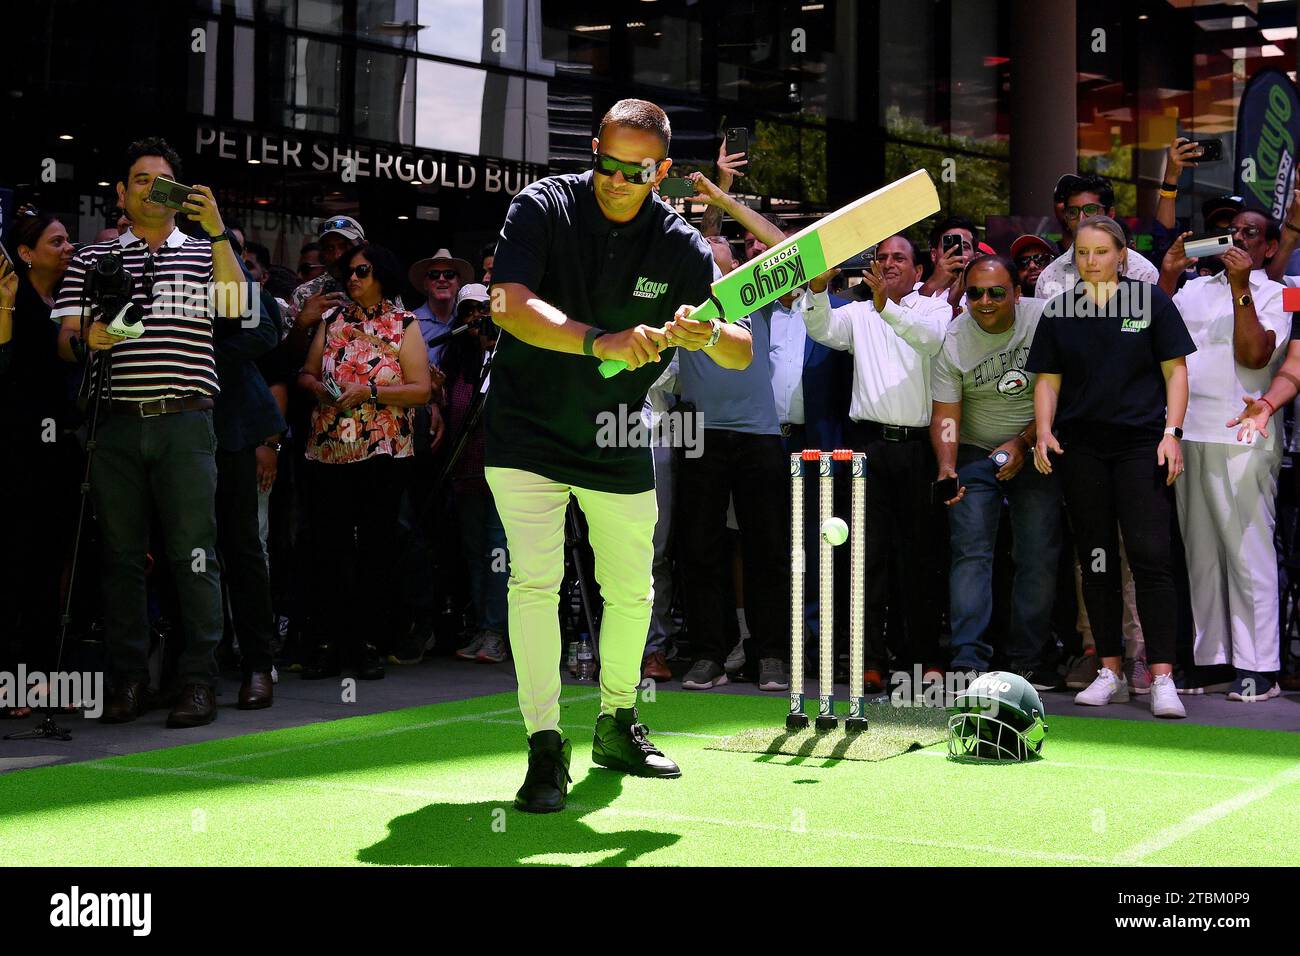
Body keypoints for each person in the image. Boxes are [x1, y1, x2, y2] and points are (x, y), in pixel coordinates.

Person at [486, 98, 752, 813]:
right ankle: (545, 746)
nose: (615, 180)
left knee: (632, 591)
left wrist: (707, 337)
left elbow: (741, 347)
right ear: (594, 151)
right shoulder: (543, 206)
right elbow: (507, 305)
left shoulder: (681, 245)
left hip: (615, 432)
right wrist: (596, 339)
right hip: (525, 426)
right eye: (605, 163)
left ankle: (617, 721)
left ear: (661, 172)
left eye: (634, 171)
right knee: (534, 585)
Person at [52, 137, 257, 728]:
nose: (149, 189)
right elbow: (64, 338)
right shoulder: (93, 259)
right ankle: (129, 680)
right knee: (118, 557)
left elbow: (238, 308)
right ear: (121, 193)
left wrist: (217, 229)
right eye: (139, 180)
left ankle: (198, 682)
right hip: (113, 422)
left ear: (180, 193)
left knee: (194, 553)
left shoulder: (202, 252)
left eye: (161, 181)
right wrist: (83, 341)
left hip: (185, 420)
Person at [1028, 215, 1196, 719]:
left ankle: (1162, 676)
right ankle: (1110, 670)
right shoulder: (1060, 311)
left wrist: (1173, 434)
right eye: (1082, 252)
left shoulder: (1150, 303)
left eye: (1101, 251)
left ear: (1121, 255)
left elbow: (1177, 371)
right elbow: (1048, 380)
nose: (1091, 261)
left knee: (1149, 557)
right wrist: (1043, 430)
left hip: (1141, 446)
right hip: (1082, 451)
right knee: (1096, 560)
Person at [802, 235, 954, 692]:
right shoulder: (858, 312)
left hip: (917, 448)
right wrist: (815, 292)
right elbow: (822, 330)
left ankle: (924, 658)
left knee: (920, 557)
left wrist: (887, 306)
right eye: (881, 257)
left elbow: (929, 342)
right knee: (865, 557)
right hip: (867, 445)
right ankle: (867, 660)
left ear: (918, 270)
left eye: (898, 258)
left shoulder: (933, 309)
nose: (887, 264)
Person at [1161, 211, 1290, 703]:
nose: (1238, 238)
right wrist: (1170, 273)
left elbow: (1254, 356)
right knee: (1202, 552)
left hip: (1243, 435)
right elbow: (1150, 329)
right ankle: (1213, 659)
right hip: (1188, 432)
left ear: (1271, 247)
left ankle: (1261, 666)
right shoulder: (1193, 289)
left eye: (1251, 233)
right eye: (1233, 231)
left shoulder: (1279, 294)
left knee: (1247, 549)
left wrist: (1241, 286)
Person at [297, 243, 432, 680]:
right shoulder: (332, 320)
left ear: (382, 276)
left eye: (362, 271)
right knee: (327, 546)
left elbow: (421, 390)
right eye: (348, 272)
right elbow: (305, 372)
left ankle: (370, 641)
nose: (352, 279)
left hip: (382, 453)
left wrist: (370, 392)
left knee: (377, 547)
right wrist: (318, 387)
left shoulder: (403, 324)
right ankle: (328, 641)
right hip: (329, 449)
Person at [931, 256, 1060, 688]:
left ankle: (1027, 659)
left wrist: (1023, 442)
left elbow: (1064, 390)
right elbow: (946, 415)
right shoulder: (954, 339)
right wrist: (948, 467)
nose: (985, 302)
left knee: (1037, 553)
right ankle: (968, 659)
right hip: (974, 449)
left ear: (1016, 293)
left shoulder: (1042, 319)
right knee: (970, 552)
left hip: (1037, 441)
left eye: (996, 292)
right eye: (975, 293)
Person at [0, 210, 77, 717]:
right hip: (17, 448)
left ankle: (43, 676)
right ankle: (13, 680)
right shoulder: (13, 299)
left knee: (53, 565)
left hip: (63, 449)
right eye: (56, 241)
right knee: (15, 564)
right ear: (27, 253)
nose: (68, 248)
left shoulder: (71, 299)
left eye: (69, 239)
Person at [437, 285, 510, 665]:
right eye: (469, 311)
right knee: (475, 552)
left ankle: (497, 630)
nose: (477, 318)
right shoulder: (455, 363)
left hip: (503, 472)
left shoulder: (508, 356)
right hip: (465, 471)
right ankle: (482, 624)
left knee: (499, 551)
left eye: (484, 309)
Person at [1035, 174, 1160, 298]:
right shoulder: (1049, 277)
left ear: (1110, 214)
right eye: (1073, 212)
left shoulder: (1142, 271)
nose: (1082, 219)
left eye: (1090, 210)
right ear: (1066, 218)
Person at [409, 247, 472, 370]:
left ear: (459, 282)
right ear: (425, 283)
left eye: (449, 274)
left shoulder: (468, 319)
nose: (442, 279)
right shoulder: (410, 323)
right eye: (434, 275)